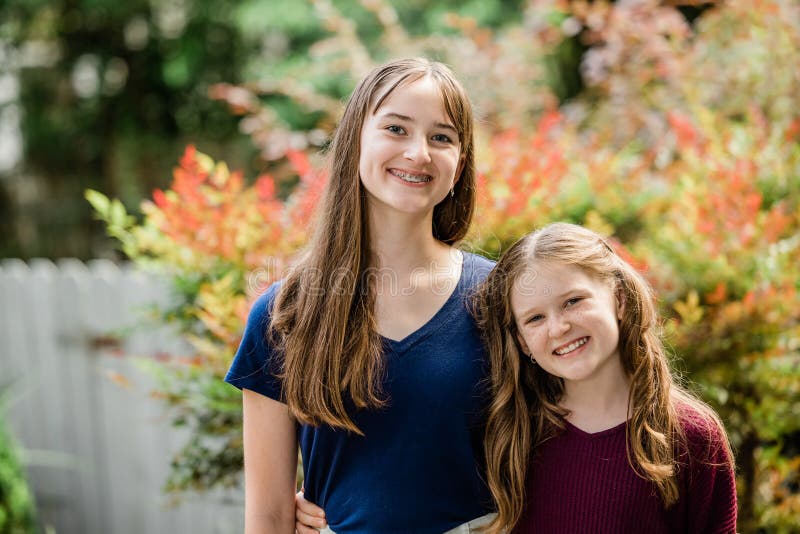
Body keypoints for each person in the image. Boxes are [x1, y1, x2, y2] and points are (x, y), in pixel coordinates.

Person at [225, 57, 497, 534]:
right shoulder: (284, 314)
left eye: (442, 137)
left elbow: (559, 451)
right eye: (397, 128)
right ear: (355, 141)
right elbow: (267, 518)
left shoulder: (501, 299)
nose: (418, 153)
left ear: (460, 164)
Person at [472, 222, 737, 533]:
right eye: (535, 318)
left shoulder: (692, 435)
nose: (558, 328)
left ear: (619, 299)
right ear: (521, 341)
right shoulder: (515, 434)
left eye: (573, 301)